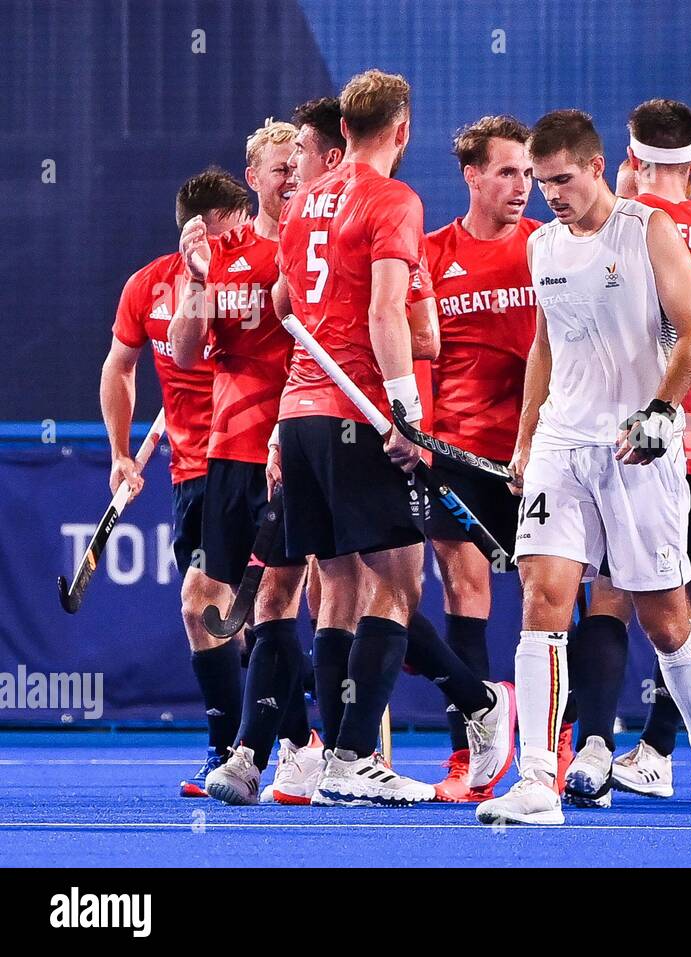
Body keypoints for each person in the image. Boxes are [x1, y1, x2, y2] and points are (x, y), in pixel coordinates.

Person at [476, 109, 691, 826]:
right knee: (543, 597)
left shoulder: (648, 229)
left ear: (598, 167)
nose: (550, 194)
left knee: (666, 620)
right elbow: (544, 346)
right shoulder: (543, 248)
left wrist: (661, 408)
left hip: (640, 450)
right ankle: (537, 776)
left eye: (562, 179)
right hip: (564, 444)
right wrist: (527, 437)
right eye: (539, 182)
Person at [274, 70, 513, 806]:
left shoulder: (303, 201)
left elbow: (288, 300)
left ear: (342, 130)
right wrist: (406, 415)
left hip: (301, 410)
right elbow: (386, 314)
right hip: (358, 411)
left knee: (341, 585)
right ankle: (351, 753)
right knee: (400, 581)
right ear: (401, 131)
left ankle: (354, 747)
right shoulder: (393, 199)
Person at [566, 98, 691, 809]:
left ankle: (591, 750)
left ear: (628, 155)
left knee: (613, 594)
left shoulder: (610, 227)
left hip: (621, 435)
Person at [170, 119, 322, 806]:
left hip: (291, 445)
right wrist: (198, 278)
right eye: (277, 167)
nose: (289, 176)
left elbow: (312, 350)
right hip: (225, 453)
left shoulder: (312, 248)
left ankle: (263, 752)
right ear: (252, 175)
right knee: (207, 604)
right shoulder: (221, 253)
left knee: (273, 601)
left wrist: (284, 437)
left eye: (298, 164)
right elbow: (182, 350)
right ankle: (289, 740)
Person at [100, 168, 250, 797]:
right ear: (205, 225)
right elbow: (119, 367)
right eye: (232, 226)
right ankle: (265, 743)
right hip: (188, 473)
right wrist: (119, 454)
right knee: (222, 619)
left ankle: (244, 750)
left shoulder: (252, 276)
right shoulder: (147, 284)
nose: (241, 235)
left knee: (221, 607)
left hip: (249, 461)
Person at [422, 115, 542, 802]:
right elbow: (421, 356)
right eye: (506, 172)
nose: (520, 186)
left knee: (547, 600)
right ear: (471, 175)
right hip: (457, 454)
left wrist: (538, 439)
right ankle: (469, 752)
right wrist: (426, 440)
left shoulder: (547, 247)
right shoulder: (434, 255)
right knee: (463, 592)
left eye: (526, 174)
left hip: (537, 454)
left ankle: (553, 748)